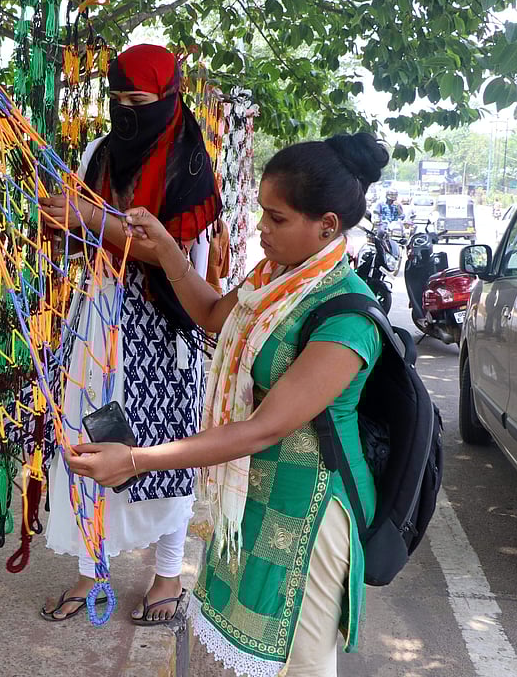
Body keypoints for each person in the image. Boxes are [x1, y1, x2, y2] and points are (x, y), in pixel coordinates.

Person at [67, 133, 387, 676]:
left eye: (277, 218)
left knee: (301, 662)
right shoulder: (275, 282)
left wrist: (137, 459)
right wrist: (168, 249)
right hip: (256, 495)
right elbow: (215, 314)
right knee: (252, 652)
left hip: (310, 508)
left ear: (327, 226)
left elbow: (262, 429)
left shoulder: (347, 316)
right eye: (263, 213)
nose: (261, 228)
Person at [35, 43, 221, 624]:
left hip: (167, 324)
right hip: (99, 321)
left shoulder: (192, 165)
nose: (125, 112)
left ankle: (167, 577)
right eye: (116, 100)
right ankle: (92, 572)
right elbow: (85, 241)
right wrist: (60, 224)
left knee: (162, 453)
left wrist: (91, 218)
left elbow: (165, 251)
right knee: (88, 441)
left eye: (137, 101)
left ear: (168, 99)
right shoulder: (98, 153)